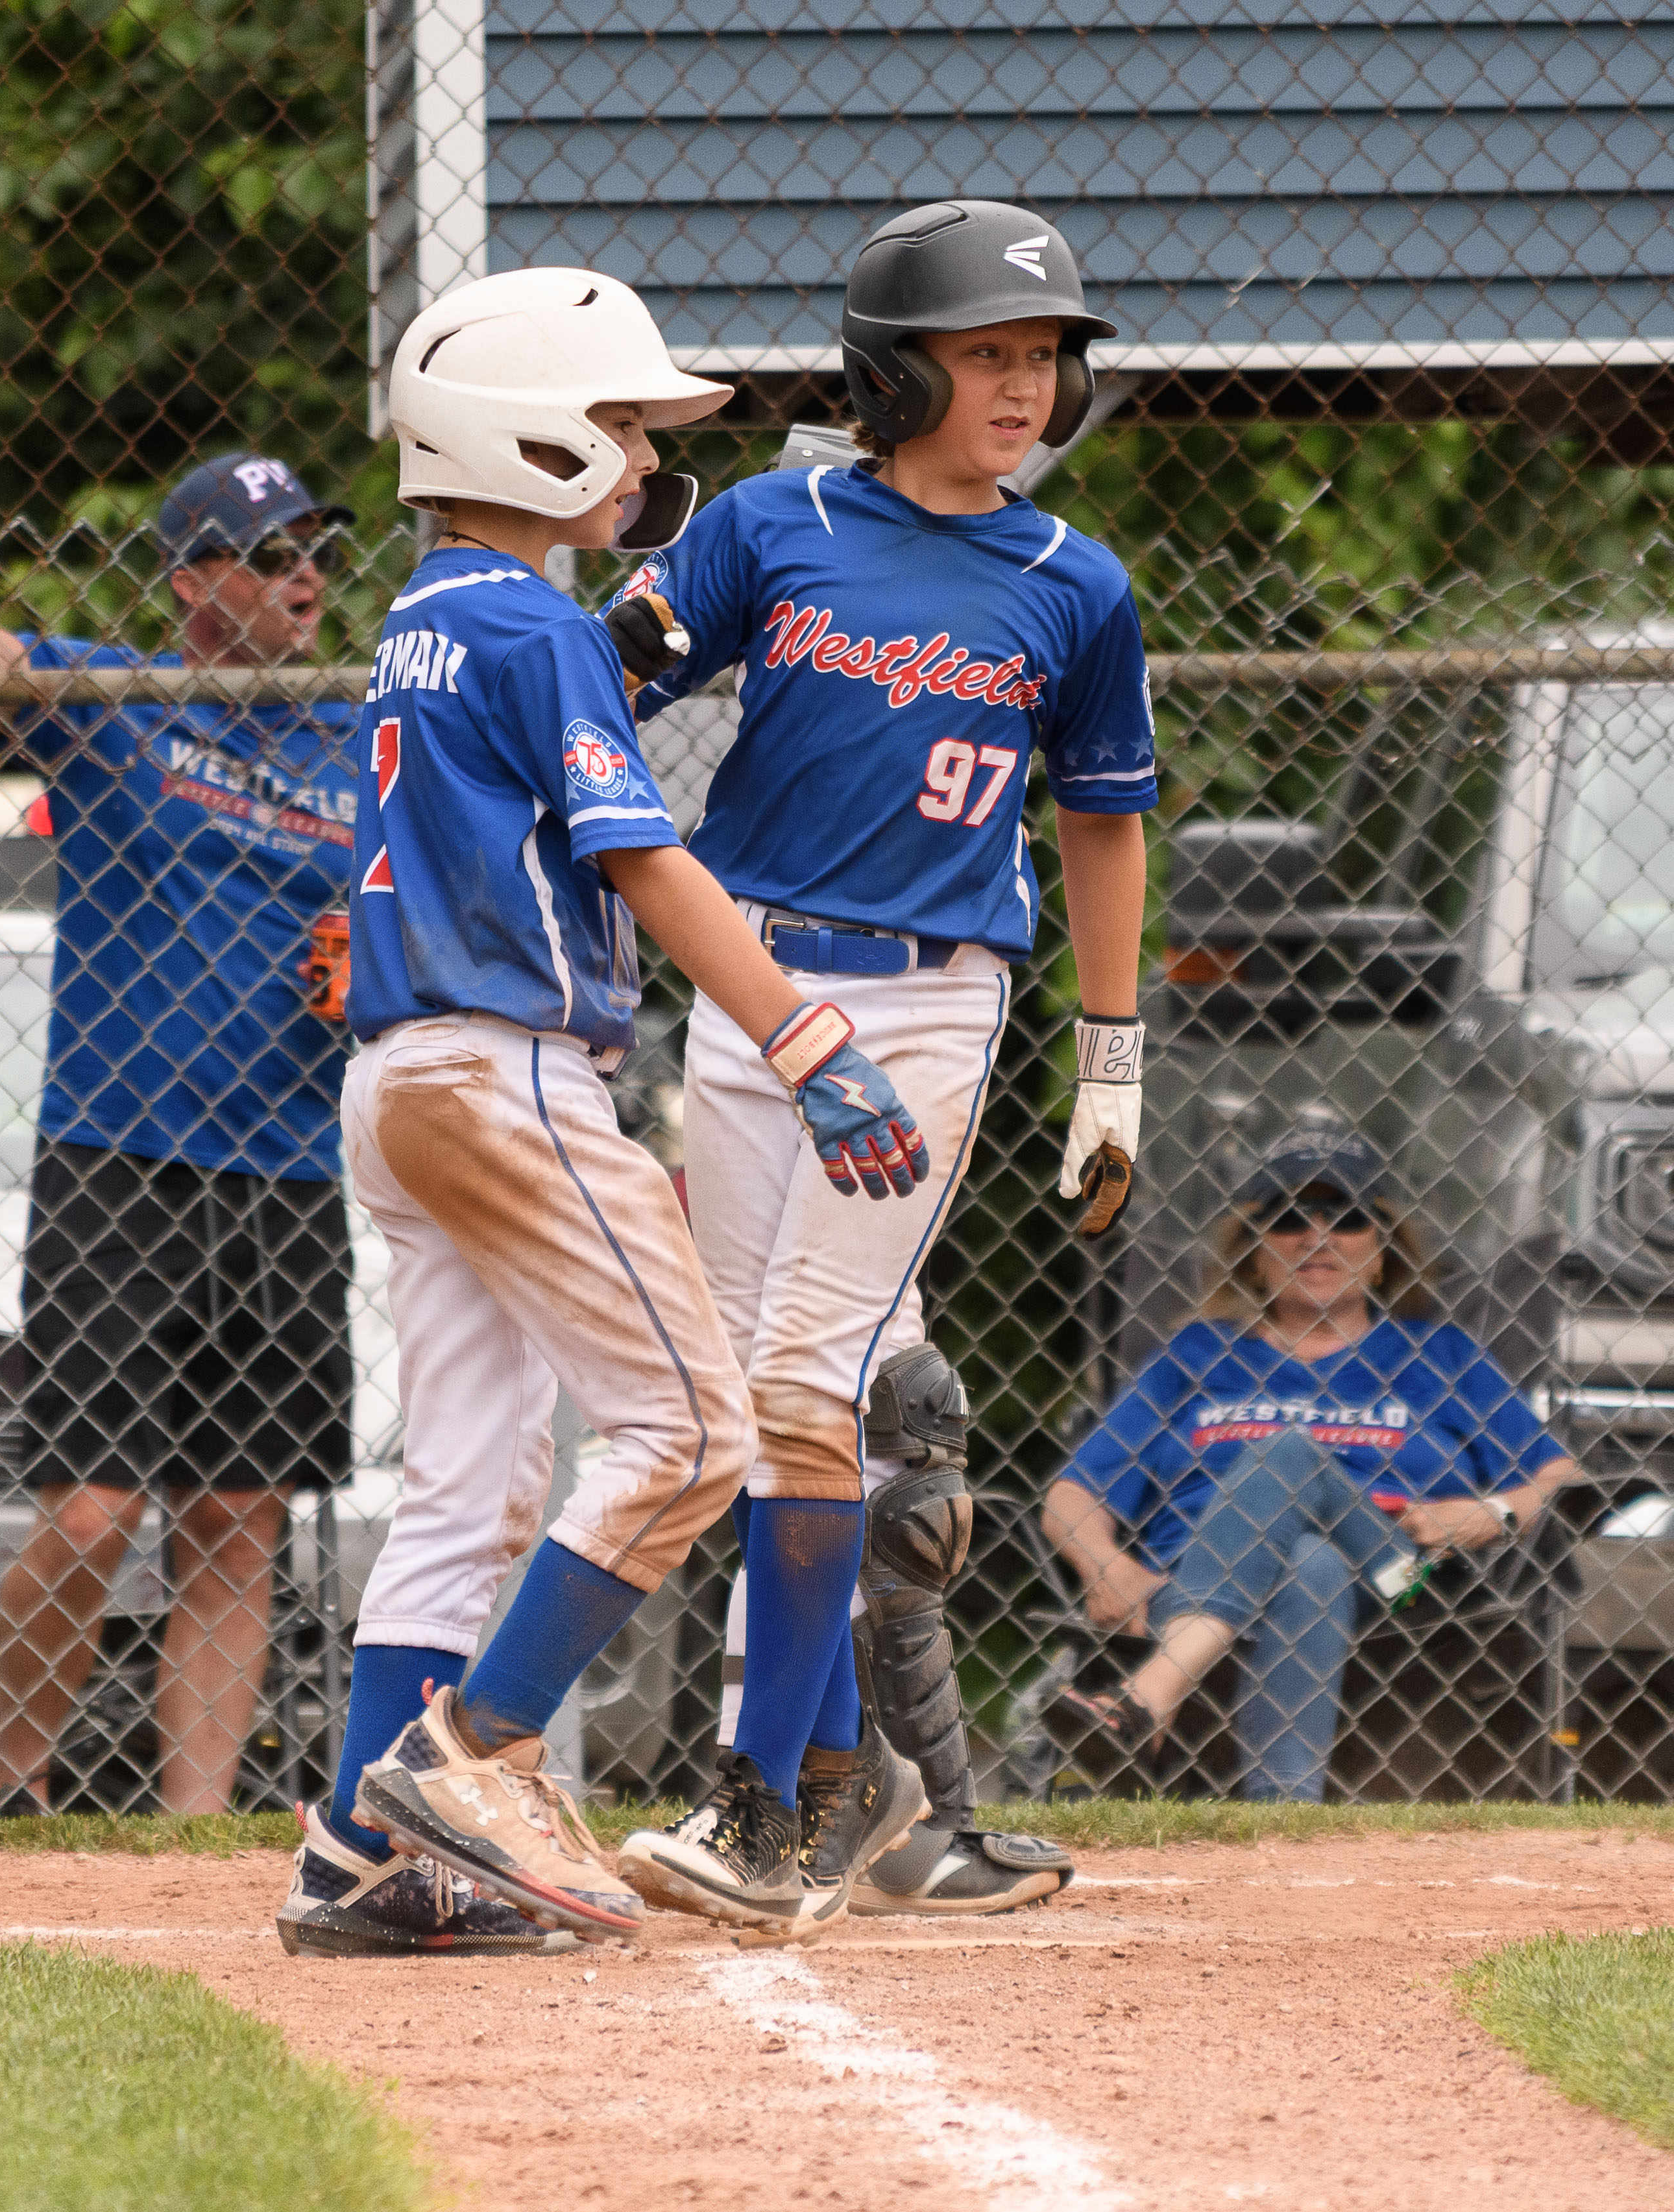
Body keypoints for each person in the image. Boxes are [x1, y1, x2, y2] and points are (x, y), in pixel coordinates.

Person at [277, 266, 929, 1957]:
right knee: (696, 1436)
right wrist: (800, 1032)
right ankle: (467, 1762)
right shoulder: (531, 622)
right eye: (623, 427)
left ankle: (363, 1857)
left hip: (401, 1086)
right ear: (537, 440)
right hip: (504, 1076)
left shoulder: (429, 611)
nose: (644, 458)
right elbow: (638, 854)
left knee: (469, 1486)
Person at [611, 201, 1153, 1921]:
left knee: (800, 1385)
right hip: (743, 990)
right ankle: (850, 1801)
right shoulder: (775, 524)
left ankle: (765, 1812)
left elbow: (1100, 822)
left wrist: (1112, 1060)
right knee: (761, 1405)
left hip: (922, 1013)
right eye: (984, 353)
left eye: (1041, 357)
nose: (1021, 385)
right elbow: (589, 687)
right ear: (888, 368)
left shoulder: (1070, 583)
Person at [0, 324, 366, 1820]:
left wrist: (385, 945)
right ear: (190, 585)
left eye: (313, 549)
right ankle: (20, 1785)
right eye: (263, 552)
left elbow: (441, 905)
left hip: (290, 1164)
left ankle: (190, 1836)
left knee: (238, 1512)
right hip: (119, 1161)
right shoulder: (115, 704)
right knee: (96, 1508)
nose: (302, 574)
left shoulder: (362, 739)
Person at [1039, 1129, 1579, 1801]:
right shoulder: (1198, 1353)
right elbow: (1072, 1492)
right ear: (1257, 1251)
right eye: (1290, 1218)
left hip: (1399, 1582)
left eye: (1346, 1218)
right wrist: (1106, 1565)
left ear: (1382, 1252)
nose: (1316, 1237)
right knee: (1308, 1561)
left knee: (1290, 1450)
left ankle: (1147, 1697)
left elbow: (1560, 1477)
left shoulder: (1440, 1353)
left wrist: (1493, 1512)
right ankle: (1283, 1814)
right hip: (1188, 1583)